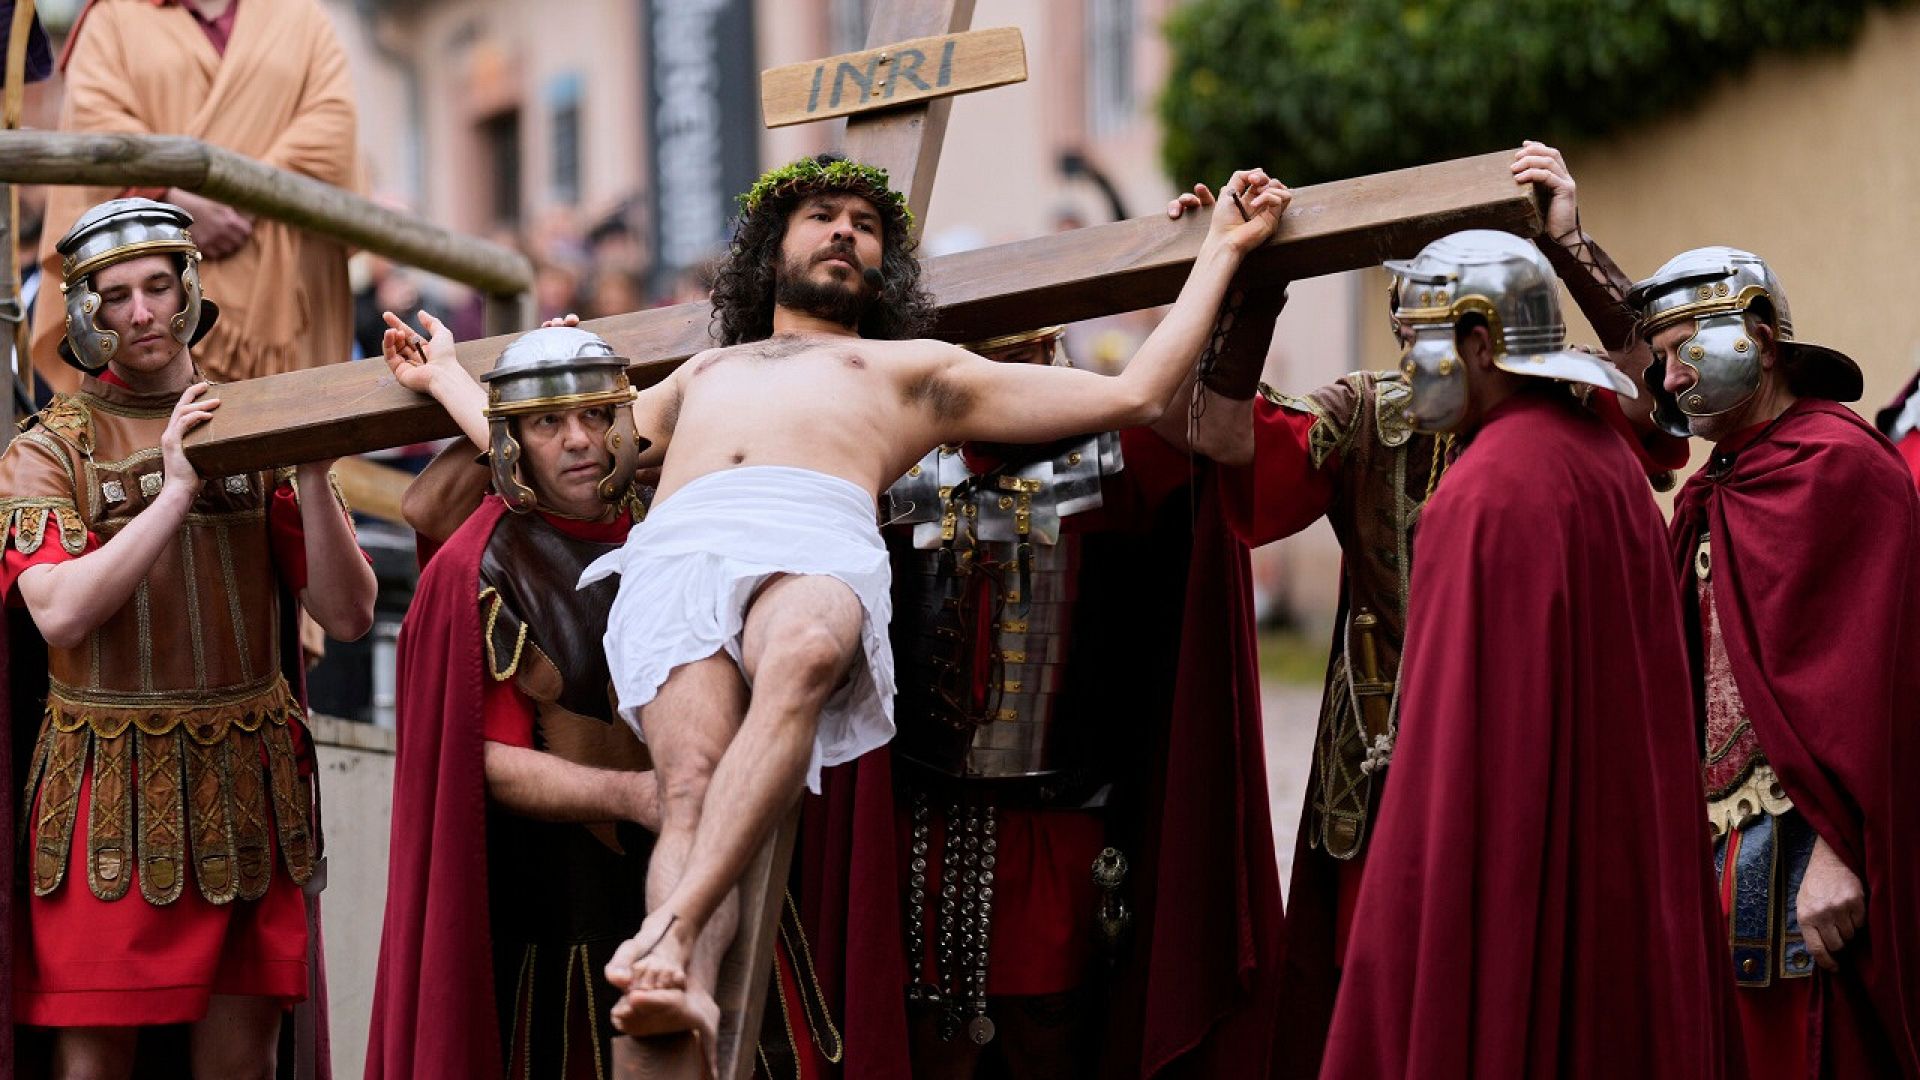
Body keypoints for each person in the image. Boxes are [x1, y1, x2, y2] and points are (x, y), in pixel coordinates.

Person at [384, 151, 1288, 1059]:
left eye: (866, 223)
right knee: (689, 787)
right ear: (771, 248)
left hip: (811, 546)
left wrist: (1216, 252)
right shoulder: (706, 373)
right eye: (823, 214)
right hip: (682, 557)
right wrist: (454, 382)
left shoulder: (915, 370)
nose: (846, 231)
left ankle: (673, 924)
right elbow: (575, 467)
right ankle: (675, 984)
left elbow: (1134, 392)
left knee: (809, 652)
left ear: (882, 266)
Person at [1164, 141, 1690, 1078]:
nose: (1411, 346)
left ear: (1486, 335)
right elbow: (1214, 429)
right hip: (1379, 767)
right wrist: (1254, 275)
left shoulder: (1566, 411)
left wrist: (1570, 242)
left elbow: (1660, 392)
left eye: (1427, 328)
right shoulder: (1368, 412)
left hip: (1534, 737)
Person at [793, 324, 1284, 1078]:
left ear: (1055, 349)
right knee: (924, 1035)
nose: (1011, 364)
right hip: (918, 820)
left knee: (1051, 1034)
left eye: (1028, 345)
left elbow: (1209, 422)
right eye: (992, 347)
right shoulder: (893, 461)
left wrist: (1246, 289)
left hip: (1059, 823)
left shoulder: (1120, 459)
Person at [1314, 229, 1739, 1079]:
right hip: (1616, 879)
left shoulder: (1480, 495)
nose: (1407, 373)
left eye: (1422, 342)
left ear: (1479, 343)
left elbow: (1455, 767)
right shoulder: (1602, 461)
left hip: (1519, 891)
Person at [0, 198, 374, 1077]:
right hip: (106, 787)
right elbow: (57, 612)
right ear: (85, 313)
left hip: (252, 780)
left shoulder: (258, 424)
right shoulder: (47, 451)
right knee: (94, 1065)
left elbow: (350, 614)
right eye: (116, 294)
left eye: (158, 287)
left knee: (241, 1062)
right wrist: (173, 491)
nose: (141, 313)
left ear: (190, 291)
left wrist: (313, 474)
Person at [1631, 248, 1920, 1078]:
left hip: (1817, 854)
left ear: (1759, 341)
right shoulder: (1710, 489)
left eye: (1688, 349)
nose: (1673, 379)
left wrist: (1843, 848)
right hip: (1709, 848)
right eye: (1662, 361)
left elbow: (1882, 681)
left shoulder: (1845, 468)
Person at [367, 324, 666, 1080]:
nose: (579, 440)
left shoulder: (676, 518)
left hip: (703, 887)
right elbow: (488, 760)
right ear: (513, 444)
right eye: (547, 422)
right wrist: (637, 794)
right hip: (559, 912)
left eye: (596, 415)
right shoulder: (488, 564)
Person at [31, 0, 358, 392]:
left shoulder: (302, 15)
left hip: (292, 288)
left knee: (300, 426)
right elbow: (97, 127)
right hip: (158, 275)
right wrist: (174, 208)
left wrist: (247, 195)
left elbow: (332, 123)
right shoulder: (113, 18)